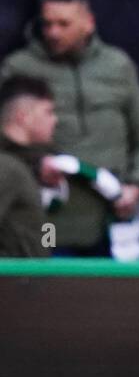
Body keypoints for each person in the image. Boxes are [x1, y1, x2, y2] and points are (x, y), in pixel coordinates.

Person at [0, 0, 139, 257]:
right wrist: (36, 164)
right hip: (49, 220)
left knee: (113, 299)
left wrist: (138, 184)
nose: (53, 32)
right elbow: (8, 133)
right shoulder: (18, 68)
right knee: (54, 297)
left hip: (111, 220)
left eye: (63, 24)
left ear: (89, 23)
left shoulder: (118, 65)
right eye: (47, 24)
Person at [0, 75, 58, 257]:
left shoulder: (28, 164)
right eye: (48, 112)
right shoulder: (7, 168)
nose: (55, 120)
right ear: (23, 117)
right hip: (14, 281)